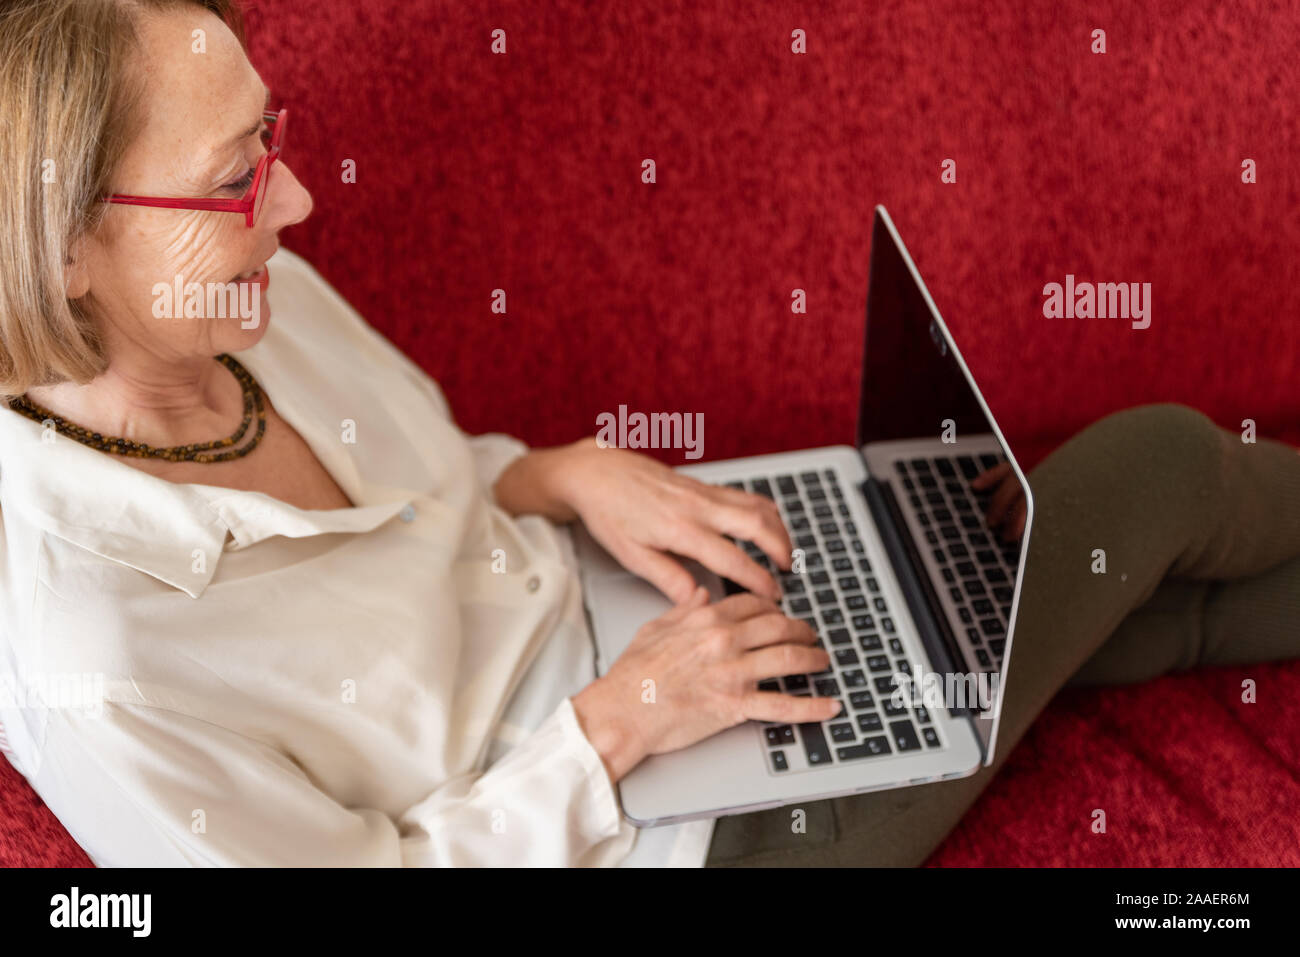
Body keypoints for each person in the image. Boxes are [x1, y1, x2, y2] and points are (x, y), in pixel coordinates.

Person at [1, 0, 1297, 868]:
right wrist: (615, 725)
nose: (293, 192)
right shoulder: (95, 656)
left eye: (269, 137)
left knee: (1135, 612)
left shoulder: (228, 301)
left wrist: (551, 475)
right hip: (665, 835)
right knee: (1162, 467)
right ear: (63, 251)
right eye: (237, 173)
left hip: (637, 612)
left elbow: (438, 490)